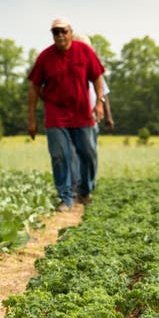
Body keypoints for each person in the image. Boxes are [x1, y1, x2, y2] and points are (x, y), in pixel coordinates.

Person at [27, 17, 106, 210]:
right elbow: (34, 88)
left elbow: (97, 77)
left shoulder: (85, 52)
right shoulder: (45, 57)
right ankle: (66, 197)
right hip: (56, 115)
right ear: (52, 35)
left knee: (88, 153)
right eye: (56, 32)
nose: (60, 35)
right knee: (60, 156)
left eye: (64, 31)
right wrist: (31, 118)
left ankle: (85, 190)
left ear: (71, 32)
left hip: (82, 114)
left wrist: (100, 103)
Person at [70, 33, 114, 200]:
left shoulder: (95, 71)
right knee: (72, 154)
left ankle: (86, 188)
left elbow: (104, 95)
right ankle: (74, 189)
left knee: (89, 154)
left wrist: (108, 116)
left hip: (91, 119)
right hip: (70, 120)